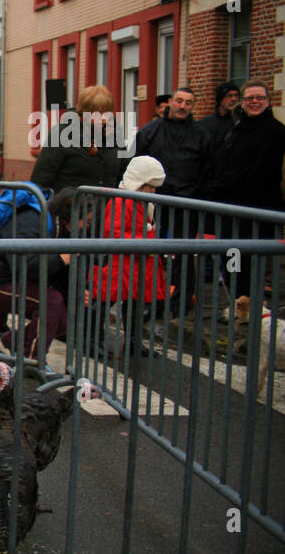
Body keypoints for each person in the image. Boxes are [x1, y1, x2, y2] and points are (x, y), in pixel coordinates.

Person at [205, 80, 285, 297]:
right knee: (232, 258)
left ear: (268, 102)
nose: (255, 102)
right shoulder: (237, 128)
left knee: (254, 263)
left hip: (258, 210)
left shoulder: (276, 132)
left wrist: (223, 185)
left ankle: (251, 306)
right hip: (232, 212)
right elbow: (222, 159)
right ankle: (236, 300)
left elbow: (263, 171)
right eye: (250, 98)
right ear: (242, 102)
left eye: (260, 97)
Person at [0, 185, 66, 360]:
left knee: (65, 314)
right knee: (52, 301)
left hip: (19, 280)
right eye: (88, 222)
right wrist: (61, 259)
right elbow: (23, 264)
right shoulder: (31, 219)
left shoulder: (56, 223)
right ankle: (32, 359)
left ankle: (15, 340)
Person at [135, 87, 209, 305]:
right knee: (150, 250)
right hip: (155, 201)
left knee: (183, 252)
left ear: (193, 106)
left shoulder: (201, 134)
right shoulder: (151, 130)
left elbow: (209, 167)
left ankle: (182, 298)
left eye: (188, 102)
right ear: (171, 102)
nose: (183, 106)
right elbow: (135, 162)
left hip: (188, 202)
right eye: (179, 101)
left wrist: (199, 194)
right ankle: (149, 296)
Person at [92, 155, 168, 359]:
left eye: (154, 187)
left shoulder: (140, 201)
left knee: (135, 302)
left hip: (134, 260)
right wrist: (144, 241)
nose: (152, 191)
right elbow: (113, 231)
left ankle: (133, 342)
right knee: (103, 300)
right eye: (148, 186)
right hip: (119, 261)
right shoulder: (121, 201)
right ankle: (92, 341)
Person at [29, 84, 121, 199]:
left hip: (106, 211)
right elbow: (41, 177)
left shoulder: (114, 134)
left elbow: (123, 172)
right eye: (96, 114)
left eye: (106, 114)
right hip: (69, 209)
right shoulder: (62, 134)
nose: (102, 119)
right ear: (84, 112)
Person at [196, 81, 240, 150]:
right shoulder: (205, 124)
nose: (234, 99)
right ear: (220, 98)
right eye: (229, 95)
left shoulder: (240, 122)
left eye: (236, 95)